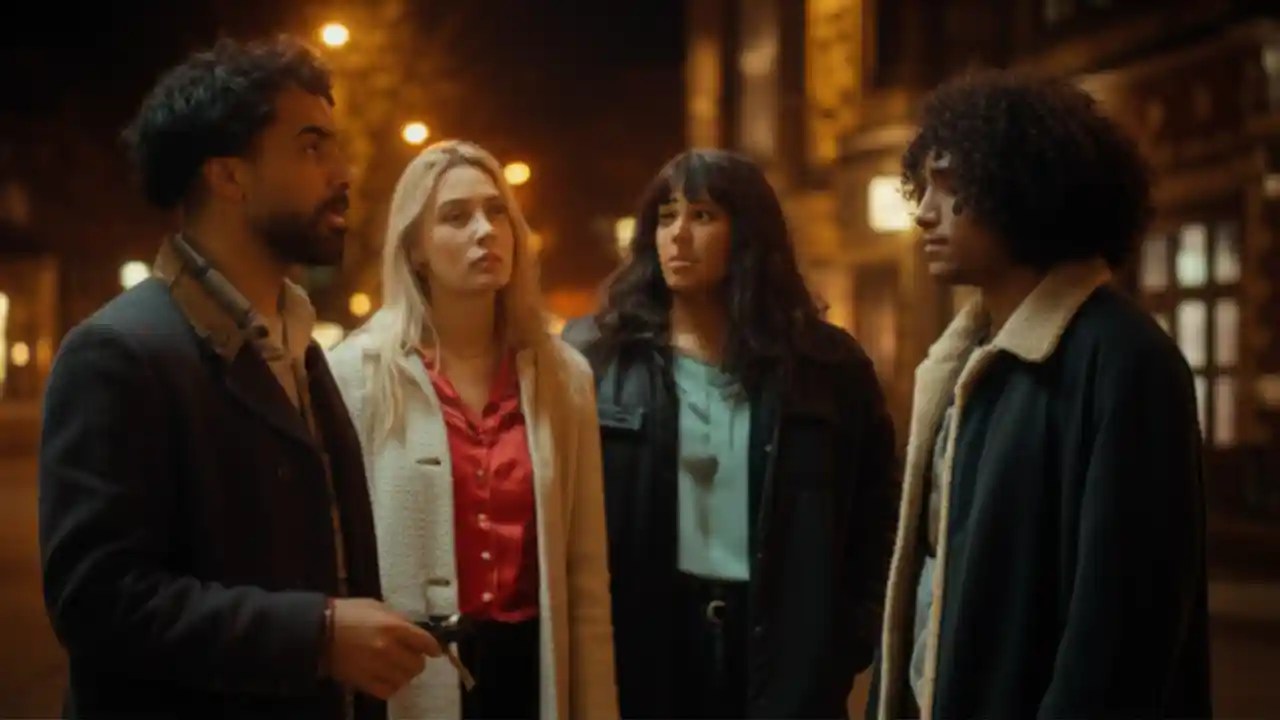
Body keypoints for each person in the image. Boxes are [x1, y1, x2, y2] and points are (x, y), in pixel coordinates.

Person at [37, 36, 441, 720]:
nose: (343, 171)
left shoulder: (296, 343)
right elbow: (96, 599)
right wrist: (314, 637)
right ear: (229, 177)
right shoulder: (118, 353)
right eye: (313, 146)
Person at [869, 70, 1212, 719]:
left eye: (953, 188)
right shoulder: (960, 362)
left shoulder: (1122, 359)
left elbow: (1122, 628)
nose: (923, 212)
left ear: (1023, 188)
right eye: (923, 186)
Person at [563, 148, 899, 718]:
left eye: (702, 216)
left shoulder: (824, 367)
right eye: (666, 217)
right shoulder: (597, 358)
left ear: (748, 234)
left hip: (783, 648)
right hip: (645, 643)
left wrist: (846, 637)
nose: (679, 236)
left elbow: (878, 514)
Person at [326, 139, 618, 720]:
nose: (485, 230)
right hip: (408, 677)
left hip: (531, 669)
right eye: (456, 217)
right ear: (414, 248)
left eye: (497, 211)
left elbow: (585, 577)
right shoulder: (356, 374)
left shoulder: (564, 377)